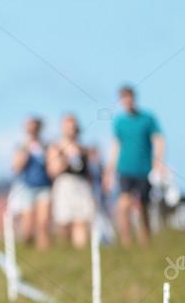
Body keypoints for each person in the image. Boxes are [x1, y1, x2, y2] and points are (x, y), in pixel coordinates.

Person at [104, 85, 167, 246]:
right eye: (123, 98)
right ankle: (126, 242)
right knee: (123, 204)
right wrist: (109, 169)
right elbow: (116, 145)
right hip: (125, 169)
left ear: (134, 98)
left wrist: (158, 161)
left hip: (143, 169)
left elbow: (158, 139)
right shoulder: (119, 121)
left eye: (129, 97)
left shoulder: (147, 118)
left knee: (143, 206)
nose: (127, 101)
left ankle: (145, 241)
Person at [48, 114, 99, 248]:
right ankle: (65, 250)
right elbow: (52, 171)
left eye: (73, 127)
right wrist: (67, 157)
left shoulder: (84, 149)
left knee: (81, 220)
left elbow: (89, 172)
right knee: (64, 221)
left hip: (81, 186)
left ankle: (80, 252)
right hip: (65, 185)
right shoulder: (56, 147)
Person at [9, 116, 52, 249]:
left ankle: (44, 251)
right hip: (27, 188)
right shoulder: (22, 146)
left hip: (44, 186)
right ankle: (27, 247)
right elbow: (16, 168)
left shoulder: (46, 146)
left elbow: (51, 166)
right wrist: (25, 152)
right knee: (28, 225)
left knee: (43, 222)